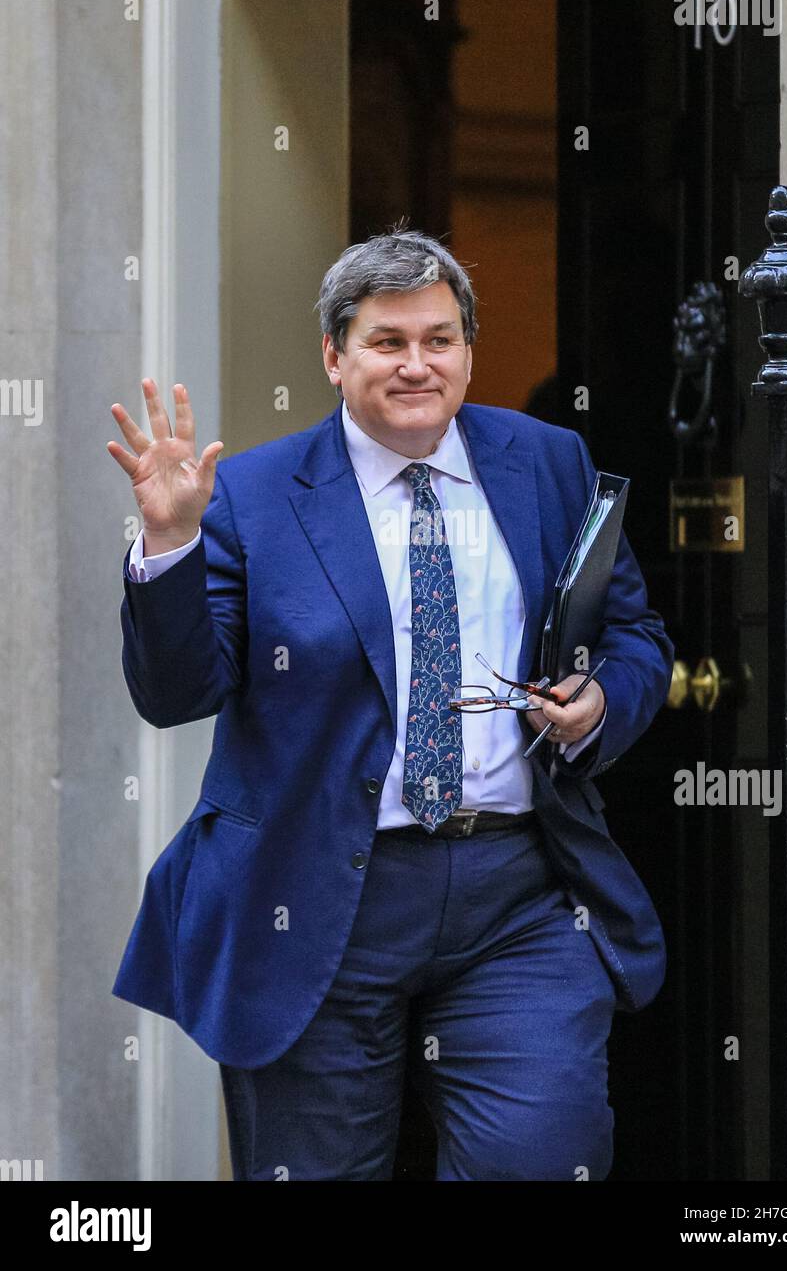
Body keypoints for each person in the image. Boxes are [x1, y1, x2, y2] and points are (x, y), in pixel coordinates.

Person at [108, 225, 673, 1181]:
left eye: (439, 339)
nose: (418, 365)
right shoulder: (250, 496)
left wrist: (599, 702)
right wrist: (169, 544)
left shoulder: (546, 461)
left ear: (466, 349)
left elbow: (633, 638)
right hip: (314, 892)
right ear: (333, 357)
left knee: (539, 1158)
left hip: (517, 894)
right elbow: (175, 695)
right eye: (386, 342)